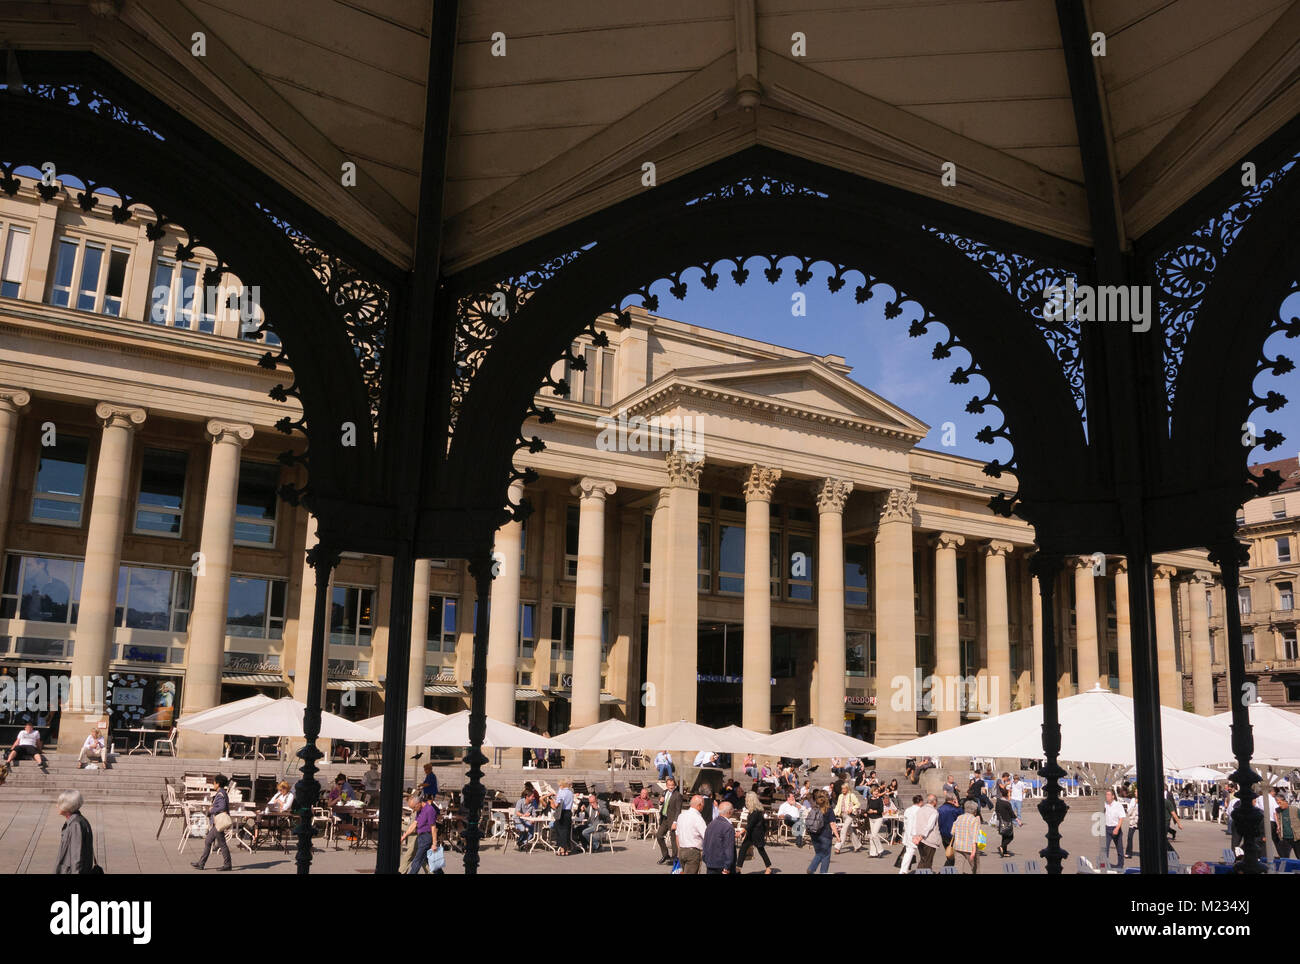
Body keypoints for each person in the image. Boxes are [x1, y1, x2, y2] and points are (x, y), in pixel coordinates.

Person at [191, 774, 233, 871]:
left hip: (219, 822)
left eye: (214, 783)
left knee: (221, 844)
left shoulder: (220, 794)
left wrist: (211, 810)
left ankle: (227, 864)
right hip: (217, 823)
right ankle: (201, 863)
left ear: (218, 784)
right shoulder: (222, 793)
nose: (213, 784)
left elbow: (222, 807)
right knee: (209, 841)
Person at [55, 789, 96, 874]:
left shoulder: (75, 825)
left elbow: (76, 857)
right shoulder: (76, 821)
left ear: (67, 806)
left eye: (59, 803)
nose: (56, 806)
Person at [403, 792, 443, 874]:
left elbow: (433, 827)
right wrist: (404, 836)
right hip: (421, 837)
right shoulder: (419, 810)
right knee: (431, 861)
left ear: (418, 803)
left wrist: (434, 843)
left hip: (427, 837)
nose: (413, 810)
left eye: (413, 808)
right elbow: (414, 824)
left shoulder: (429, 810)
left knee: (417, 861)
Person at [737, 788, 772, 873]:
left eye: (746, 798)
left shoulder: (756, 811)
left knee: (761, 850)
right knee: (742, 850)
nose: (745, 800)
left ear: (750, 800)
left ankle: (768, 867)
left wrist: (743, 831)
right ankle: (738, 868)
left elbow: (751, 824)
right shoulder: (753, 810)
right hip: (751, 834)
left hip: (757, 834)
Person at [805, 789, 837, 874]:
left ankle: (812, 869)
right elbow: (832, 824)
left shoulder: (815, 808)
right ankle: (821, 871)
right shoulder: (829, 810)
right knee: (826, 855)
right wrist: (837, 836)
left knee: (819, 853)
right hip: (825, 835)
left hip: (814, 834)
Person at [676, 794, 708, 874]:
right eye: (703, 804)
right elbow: (706, 835)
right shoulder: (698, 818)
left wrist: (679, 850)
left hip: (682, 850)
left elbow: (677, 835)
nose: (703, 807)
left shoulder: (681, 816)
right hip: (693, 851)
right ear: (699, 805)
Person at [656, 776, 683, 865]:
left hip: (672, 820)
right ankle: (665, 854)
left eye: (672, 785)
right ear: (666, 786)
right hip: (664, 819)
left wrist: (675, 822)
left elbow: (678, 810)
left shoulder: (678, 795)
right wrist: (660, 801)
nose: (671, 787)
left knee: (673, 840)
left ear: (675, 785)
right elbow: (660, 802)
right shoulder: (664, 792)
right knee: (659, 835)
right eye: (669, 785)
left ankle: (674, 858)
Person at [912, 793, 943, 869]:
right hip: (929, 840)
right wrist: (922, 835)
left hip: (920, 839)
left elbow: (915, 823)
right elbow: (930, 826)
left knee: (923, 860)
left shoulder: (920, 809)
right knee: (927, 862)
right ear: (934, 802)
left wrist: (916, 836)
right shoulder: (934, 812)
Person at [952, 799, 982, 874]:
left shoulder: (959, 817)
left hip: (958, 846)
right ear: (975, 811)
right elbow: (975, 836)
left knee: (958, 867)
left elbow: (952, 832)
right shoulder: (974, 820)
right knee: (975, 868)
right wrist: (974, 851)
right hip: (969, 848)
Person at [833, 780, 862, 853]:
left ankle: (838, 847)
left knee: (843, 830)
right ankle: (857, 845)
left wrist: (851, 809)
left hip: (850, 815)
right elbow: (838, 806)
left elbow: (858, 804)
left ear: (847, 789)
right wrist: (834, 813)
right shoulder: (840, 796)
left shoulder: (851, 795)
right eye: (842, 789)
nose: (843, 790)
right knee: (850, 831)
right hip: (843, 815)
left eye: (844, 788)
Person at [899, 793, 923, 873]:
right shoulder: (919, 810)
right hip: (916, 835)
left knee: (908, 853)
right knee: (915, 853)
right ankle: (905, 870)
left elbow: (905, 823)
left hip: (908, 833)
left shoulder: (908, 810)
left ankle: (903, 870)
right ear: (921, 802)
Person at [994, 786, 1021, 858]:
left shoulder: (998, 802)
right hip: (1007, 821)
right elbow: (1012, 814)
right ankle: (1002, 846)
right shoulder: (1007, 804)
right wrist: (1018, 820)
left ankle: (1005, 852)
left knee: (1004, 836)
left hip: (1001, 821)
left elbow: (996, 811)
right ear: (1007, 795)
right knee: (1010, 837)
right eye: (1009, 794)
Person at [1102, 789, 1126, 869]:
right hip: (1107, 828)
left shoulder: (1118, 805)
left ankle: (1120, 865)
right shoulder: (1105, 804)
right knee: (1105, 848)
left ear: (1113, 796)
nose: (1107, 796)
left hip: (1116, 828)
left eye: (1108, 795)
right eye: (1106, 795)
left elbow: (1121, 817)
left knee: (1119, 849)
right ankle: (1105, 865)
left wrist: (1117, 828)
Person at [937, 792, 962, 867]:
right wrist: (958, 806)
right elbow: (962, 816)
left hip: (943, 835)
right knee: (952, 858)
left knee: (949, 854)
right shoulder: (954, 809)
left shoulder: (940, 809)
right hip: (953, 836)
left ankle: (948, 870)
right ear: (953, 799)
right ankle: (945, 871)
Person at [864, 782, 886, 857]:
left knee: (874, 835)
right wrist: (866, 812)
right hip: (871, 818)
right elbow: (867, 807)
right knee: (871, 836)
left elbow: (881, 810)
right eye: (875, 791)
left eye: (877, 791)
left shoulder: (880, 800)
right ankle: (873, 853)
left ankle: (880, 850)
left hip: (878, 818)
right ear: (872, 792)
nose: (876, 792)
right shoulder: (870, 799)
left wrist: (873, 811)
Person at [1272, 787, 1294, 859]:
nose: (1279, 804)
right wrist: (1278, 826)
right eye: (1277, 803)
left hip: (1294, 837)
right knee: (1283, 855)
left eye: (1280, 802)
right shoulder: (1278, 810)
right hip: (1284, 837)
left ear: (1285, 801)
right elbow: (1275, 815)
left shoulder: (1294, 810)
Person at [1124, 792, 1139, 858]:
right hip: (1133, 822)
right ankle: (1128, 853)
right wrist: (1135, 804)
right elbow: (1129, 812)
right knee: (1129, 837)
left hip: (1141, 821)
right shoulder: (1133, 800)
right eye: (1135, 792)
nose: (1135, 793)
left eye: (1136, 792)